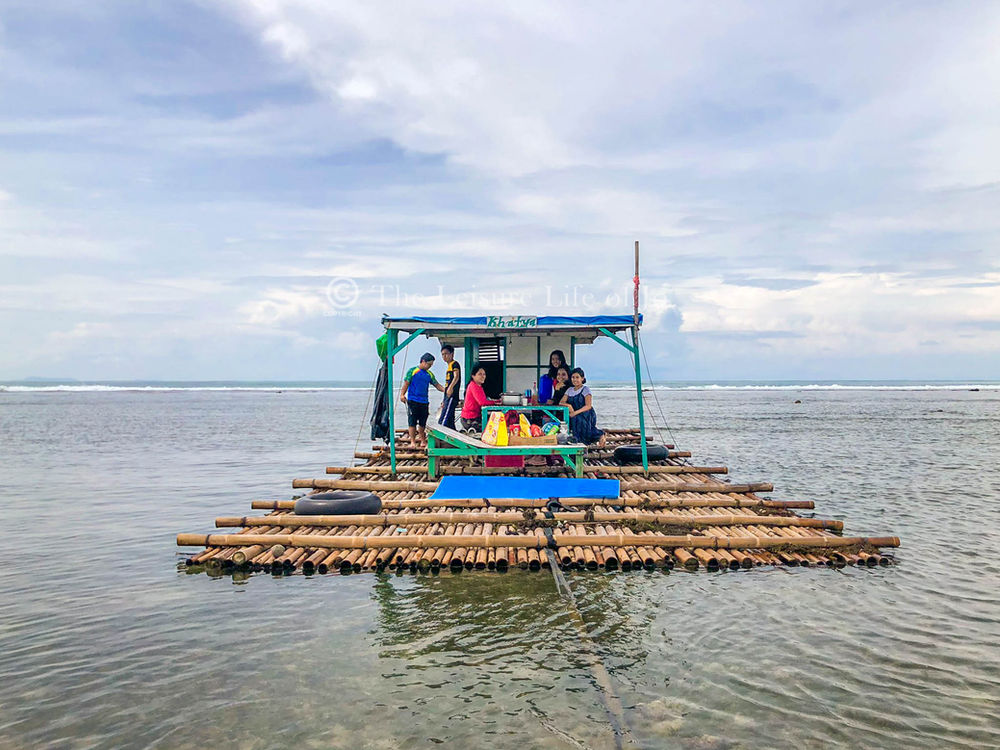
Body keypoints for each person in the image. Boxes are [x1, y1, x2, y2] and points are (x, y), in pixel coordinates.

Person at [400, 353, 445, 446]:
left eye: (431, 365)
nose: (430, 367)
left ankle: (422, 440)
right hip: (413, 400)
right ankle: (412, 441)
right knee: (412, 422)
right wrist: (402, 395)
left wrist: (446, 390)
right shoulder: (413, 371)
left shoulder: (429, 374)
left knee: (422, 422)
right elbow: (406, 383)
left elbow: (437, 385)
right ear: (423, 361)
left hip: (424, 401)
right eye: (429, 364)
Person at [559, 367, 605, 446]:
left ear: (582, 378)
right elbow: (561, 402)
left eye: (577, 377)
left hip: (586, 413)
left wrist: (575, 413)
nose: (575, 379)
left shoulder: (585, 389)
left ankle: (601, 435)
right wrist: (568, 405)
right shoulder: (570, 390)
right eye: (573, 377)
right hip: (574, 414)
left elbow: (588, 406)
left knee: (584, 427)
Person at [459, 362, 499, 433]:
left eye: (484, 374)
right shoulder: (473, 386)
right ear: (473, 376)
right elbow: (482, 402)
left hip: (474, 417)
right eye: (480, 374)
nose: (483, 376)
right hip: (469, 419)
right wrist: (496, 402)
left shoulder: (478, 386)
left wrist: (494, 402)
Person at [438, 344, 461, 429]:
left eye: (446, 354)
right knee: (450, 419)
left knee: (444, 418)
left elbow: (456, 376)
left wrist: (451, 387)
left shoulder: (454, 364)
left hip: (452, 396)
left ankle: (440, 435)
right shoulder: (449, 366)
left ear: (452, 354)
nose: (444, 356)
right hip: (447, 396)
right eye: (443, 354)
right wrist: (444, 399)